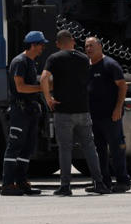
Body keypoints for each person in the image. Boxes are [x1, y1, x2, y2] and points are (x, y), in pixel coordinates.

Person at [40, 30, 110, 196]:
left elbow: (43, 78)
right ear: (72, 41)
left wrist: (48, 99)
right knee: (89, 147)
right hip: (83, 110)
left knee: (65, 149)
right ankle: (99, 183)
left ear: (58, 44)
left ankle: (65, 186)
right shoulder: (84, 58)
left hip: (63, 111)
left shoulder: (54, 58)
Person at [0, 31, 49, 196]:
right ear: (33, 45)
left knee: (27, 147)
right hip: (19, 111)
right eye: (41, 44)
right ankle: (7, 184)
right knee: (14, 147)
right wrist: (42, 88)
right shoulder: (20, 62)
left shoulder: (31, 62)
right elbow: (20, 87)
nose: (43, 47)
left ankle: (21, 182)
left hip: (29, 110)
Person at [84, 36, 131, 192]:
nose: (88, 49)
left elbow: (122, 86)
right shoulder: (87, 66)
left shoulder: (110, 64)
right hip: (93, 116)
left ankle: (123, 181)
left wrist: (118, 108)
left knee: (117, 149)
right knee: (99, 151)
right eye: (86, 46)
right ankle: (103, 183)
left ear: (100, 46)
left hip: (111, 116)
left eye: (91, 45)